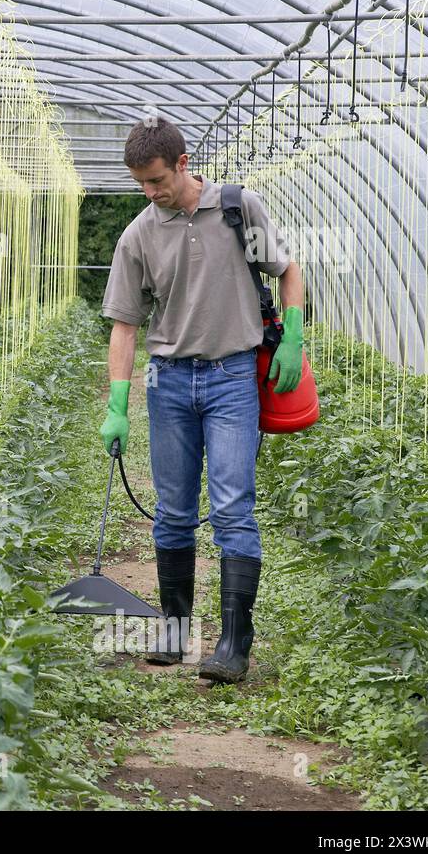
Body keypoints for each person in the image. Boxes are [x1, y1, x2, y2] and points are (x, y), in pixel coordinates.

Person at [98, 117, 305, 683]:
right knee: (173, 511)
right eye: (141, 183)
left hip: (232, 378)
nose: (151, 192)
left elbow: (288, 273)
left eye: (158, 180)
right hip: (168, 384)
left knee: (234, 507)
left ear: (183, 163)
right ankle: (175, 629)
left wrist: (294, 335)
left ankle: (235, 644)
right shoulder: (138, 235)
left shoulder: (238, 208)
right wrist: (118, 404)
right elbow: (124, 325)